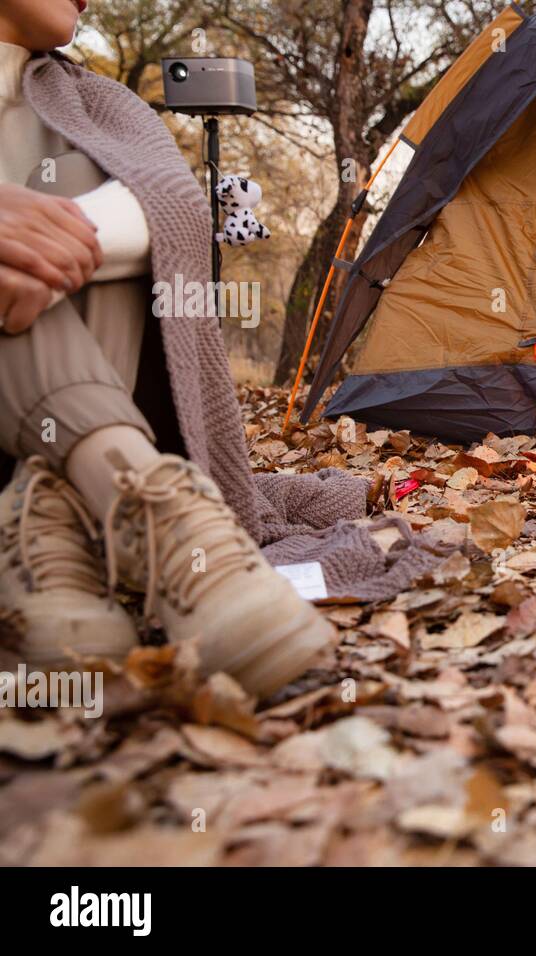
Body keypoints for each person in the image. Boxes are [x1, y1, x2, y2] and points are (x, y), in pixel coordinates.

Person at [0, 0, 333, 697]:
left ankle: (54, 525)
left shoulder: (93, 104)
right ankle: (156, 516)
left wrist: (41, 239)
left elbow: (175, 208)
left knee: (87, 226)